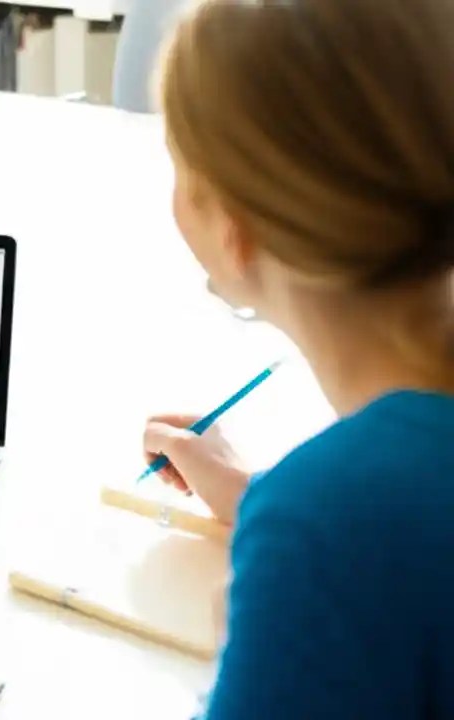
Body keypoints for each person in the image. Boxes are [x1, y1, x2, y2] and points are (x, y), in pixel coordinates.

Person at [141, 0, 454, 717]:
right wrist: (261, 498)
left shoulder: (329, 534)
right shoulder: (352, 509)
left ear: (235, 229)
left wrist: (249, 650)